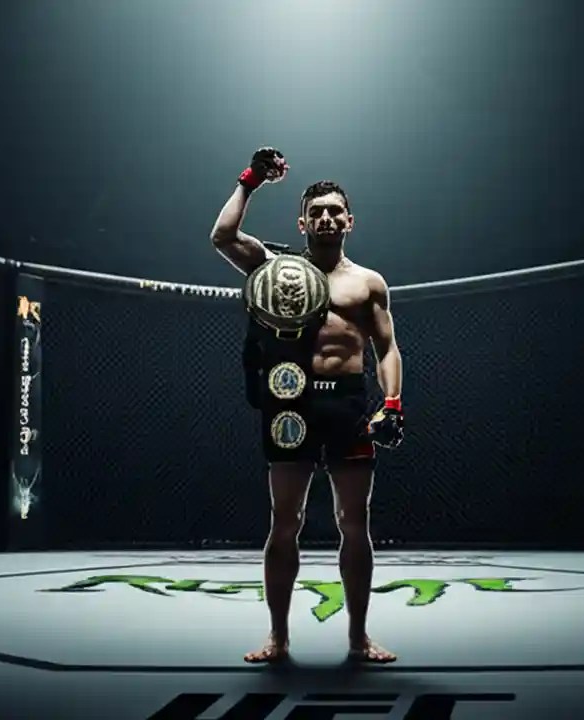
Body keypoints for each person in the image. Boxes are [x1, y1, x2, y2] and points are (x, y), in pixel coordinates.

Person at [210, 147, 405, 664]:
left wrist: (392, 402)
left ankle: (359, 637)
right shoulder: (277, 267)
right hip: (289, 404)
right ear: (301, 222)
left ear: (349, 220)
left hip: (347, 405)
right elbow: (223, 237)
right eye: (316, 211)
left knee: (354, 520)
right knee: (285, 520)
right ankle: (278, 638)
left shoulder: (368, 283)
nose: (325, 217)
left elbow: (386, 348)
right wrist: (250, 181)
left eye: (334, 210)